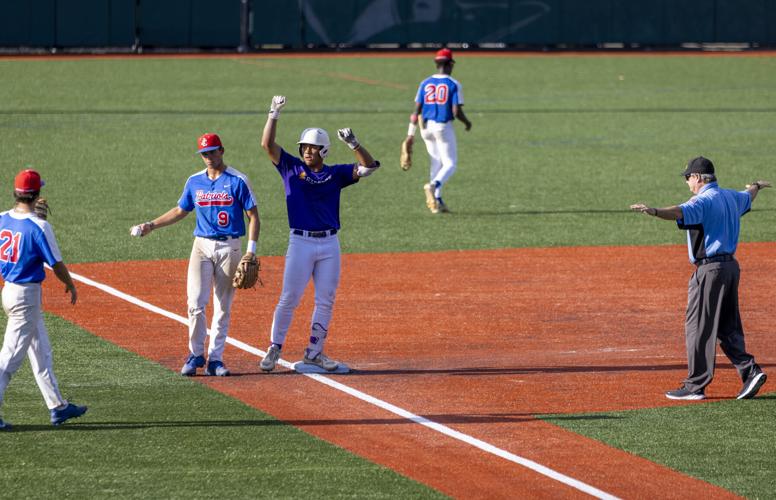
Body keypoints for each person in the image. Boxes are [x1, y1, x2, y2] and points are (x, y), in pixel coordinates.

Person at [630, 156, 770, 401]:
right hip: (731, 269)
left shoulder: (702, 201)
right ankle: (750, 372)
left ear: (697, 178)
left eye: (687, 178)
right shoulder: (730, 197)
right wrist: (756, 186)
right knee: (727, 327)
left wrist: (653, 211)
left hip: (710, 271)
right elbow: (747, 195)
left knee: (699, 327)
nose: (687, 183)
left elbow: (678, 212)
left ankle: (695, 386)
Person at [258, 95, 380, 372]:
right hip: (300, 241)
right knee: (289, 297)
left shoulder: (336, 174)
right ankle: (274, 347)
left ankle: (315, 351)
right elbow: (267, 145)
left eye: (313, 148)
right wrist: (273, 113)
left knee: (326, 299)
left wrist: (354, 144)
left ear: (324, 151)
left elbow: (369, 168)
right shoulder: (291, 167)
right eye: (304, 147)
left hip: (329, 243)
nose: (307, 151)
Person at [132, 133, 260, 377]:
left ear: (222, 150)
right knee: (195, 304)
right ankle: (196, 355)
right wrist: (151, 225)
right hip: (201, 246)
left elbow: (253, 216)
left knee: (223, 306)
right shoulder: (194, 181)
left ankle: (216, 359)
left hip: (230, 247)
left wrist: (251, 251)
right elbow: (181, 209)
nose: (209, 157)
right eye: (204, 153)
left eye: (212, 151)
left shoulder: (238, 180)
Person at [0, 169, 87, 431]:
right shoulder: (40, 226)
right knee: (9, 358)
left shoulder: (2, 219)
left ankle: (57, 406)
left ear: (16, 193)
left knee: (41, 351)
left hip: (10, 290)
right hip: (25, 296)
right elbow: (55, 263)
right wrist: (70, 284)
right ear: (36, 194)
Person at [405, 47, 472, 214]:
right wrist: (467, 123)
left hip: (425, 128)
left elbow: (416, 112)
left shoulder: (425, 82)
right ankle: (434, 186)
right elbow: (456, 112)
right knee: (450, 164)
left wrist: (410, 135)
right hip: (442, 126)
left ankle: (437, 202)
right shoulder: (453, 84)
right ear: (450, 64)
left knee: (436, 163)